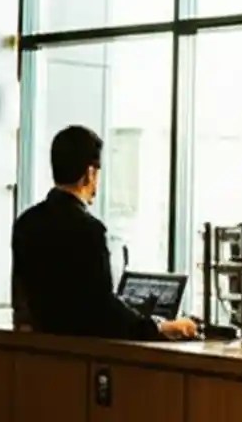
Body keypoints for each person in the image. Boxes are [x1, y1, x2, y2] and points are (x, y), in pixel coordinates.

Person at [12, 125, 197, 340]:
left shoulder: (26, 223)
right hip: (83, 354)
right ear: (90, 173)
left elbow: (23, 303)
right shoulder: (89, 230)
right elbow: (102, 310)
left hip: (37, 352)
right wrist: (160, 328)